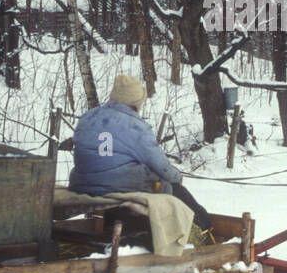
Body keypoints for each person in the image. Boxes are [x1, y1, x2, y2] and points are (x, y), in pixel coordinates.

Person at [68, 74, 212, 229]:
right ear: (136, 104)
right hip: (119, 187)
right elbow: (160, 165)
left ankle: (115, 230)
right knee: (169, 186)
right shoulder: (135, 126)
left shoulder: (87, 117)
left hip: (82, 184)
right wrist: (177, 177)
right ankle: (203, 227)